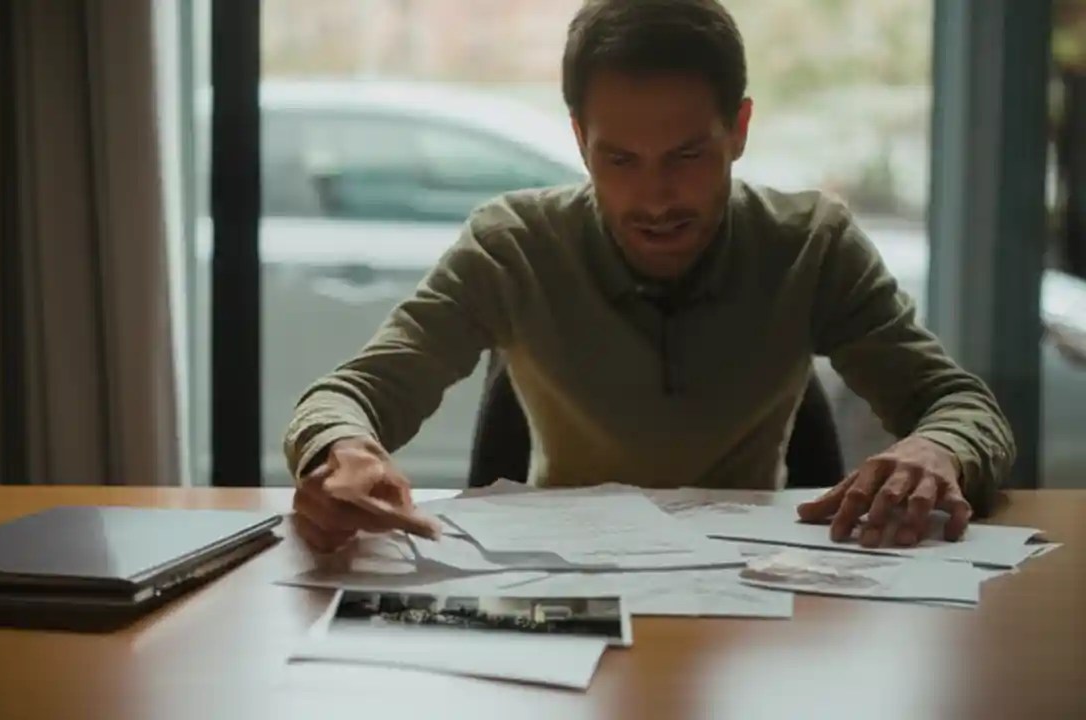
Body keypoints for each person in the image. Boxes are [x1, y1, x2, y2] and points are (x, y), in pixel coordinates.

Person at [285, 0, 1015, 553]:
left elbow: (959, 403)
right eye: (620, 160)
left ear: (740, 129)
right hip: (564, 583)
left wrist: (936, 448)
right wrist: (341, 451)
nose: (657, 198)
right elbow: (348, 394)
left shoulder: (810, 246)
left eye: (688, 156)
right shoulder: (513, 246)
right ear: (578, 139)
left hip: (755, 581)